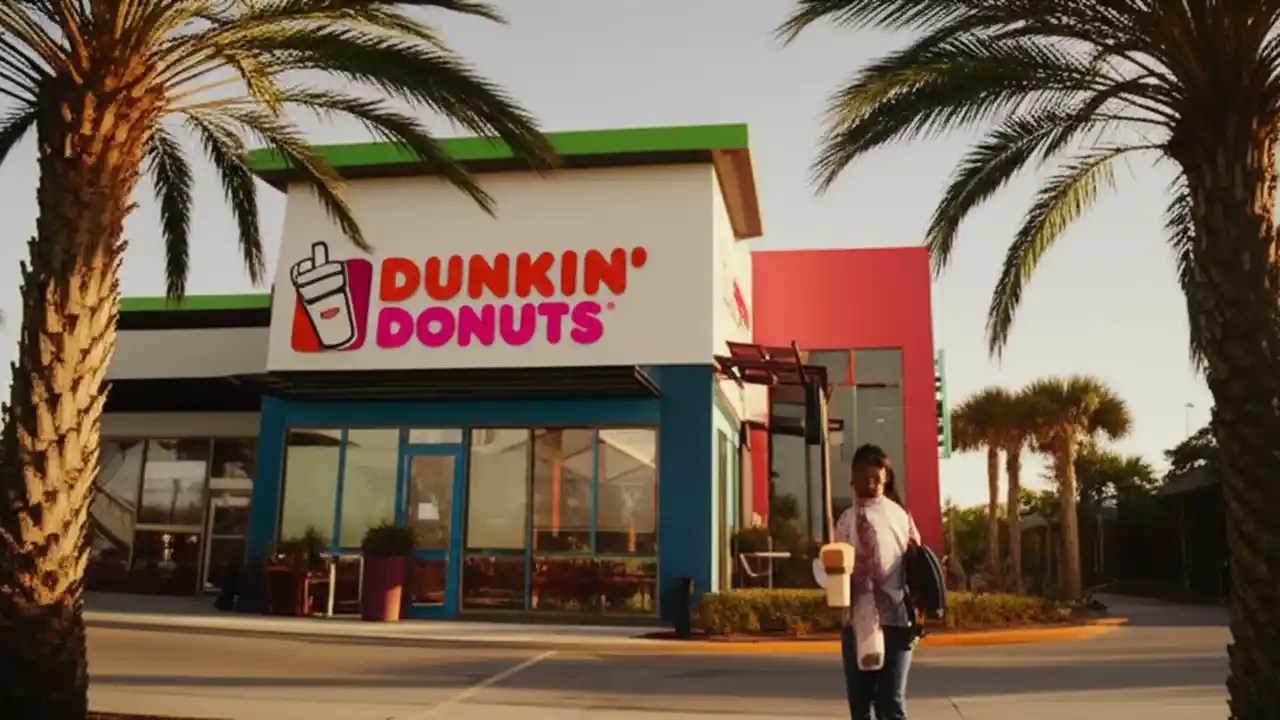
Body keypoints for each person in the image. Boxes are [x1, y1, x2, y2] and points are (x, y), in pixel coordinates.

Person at [835, 444, 921, 720]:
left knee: (891, 704)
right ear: (852, 478)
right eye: (864, 478)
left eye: (876, 479)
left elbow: (917, 564)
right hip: (856, 624)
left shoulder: (900, 516)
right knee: (861, 707)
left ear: (886, 479)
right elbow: (836, 569)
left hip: (897, 621)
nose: (870, 485)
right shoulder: (845, 520)